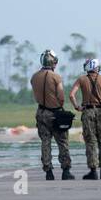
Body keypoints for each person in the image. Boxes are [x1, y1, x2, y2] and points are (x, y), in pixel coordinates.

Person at [31, 48, 73, 181]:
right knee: (62, 142)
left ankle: (48, 171)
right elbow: (61, 97)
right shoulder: (56, 77)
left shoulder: (34, 77)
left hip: (41, 112)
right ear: (54, 62)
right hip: (55, 113)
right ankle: (66, 171)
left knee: (45, 142)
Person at [69, 57, 101, 180]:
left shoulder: (81, 79)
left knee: (90, 142)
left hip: (87, 112)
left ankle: (93, 171)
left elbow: (72, 95)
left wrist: (77, 107)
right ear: (97, 67)